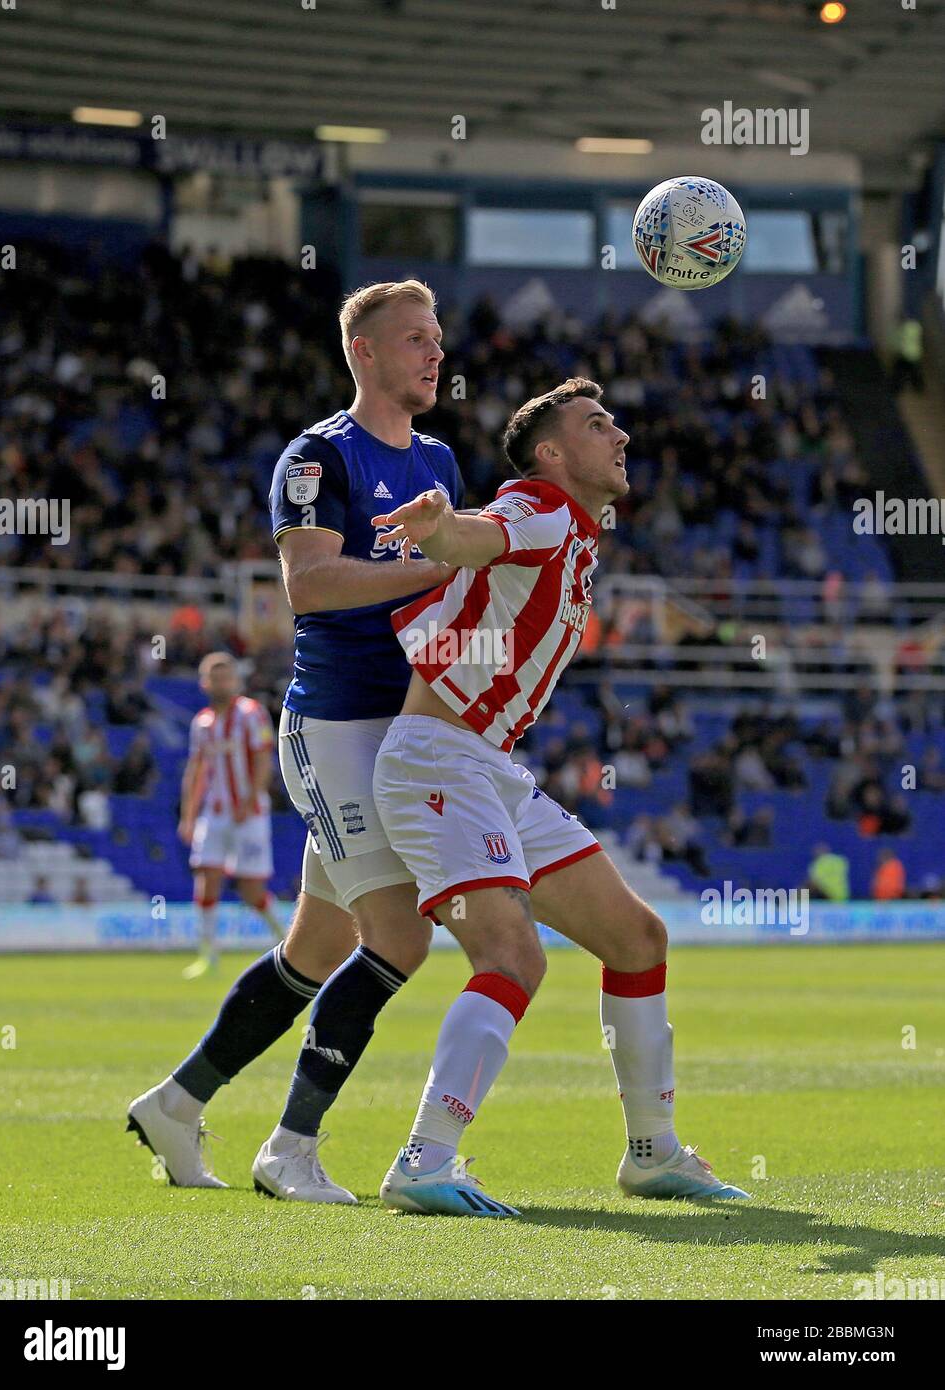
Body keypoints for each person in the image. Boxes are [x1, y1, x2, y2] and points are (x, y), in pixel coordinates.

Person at [370, 378, 749, 1215]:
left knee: (637, 940)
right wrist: (442, 530)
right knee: (512, 957)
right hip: (438, 761)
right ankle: (424, 1159)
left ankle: (652, 1153)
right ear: (550, 453)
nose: (620, 436)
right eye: (596, 424)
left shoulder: (575, 534)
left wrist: (452, 537)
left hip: (486, 766)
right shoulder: (540, 507)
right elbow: (482, 534)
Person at [127, 280, 461, 1194]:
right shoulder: (318, 455)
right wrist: (436, 565)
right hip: (335, 725)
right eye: (414, 339)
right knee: (400, 936)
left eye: (436, 338)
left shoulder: (438, 461)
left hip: (404, 731)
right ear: (363, 351)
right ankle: (291, 1149)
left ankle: (175, 1105)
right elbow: (309, 585)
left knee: (312, 953)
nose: (435, 354)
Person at [176, 652, 285, 979]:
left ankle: (284, 939)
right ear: (204, 683)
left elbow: (264, 760)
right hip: (215, 813)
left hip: (249, 813)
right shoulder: (202, 723)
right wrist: (188, 815)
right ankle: (208, 953)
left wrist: (249, 800)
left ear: (235, 681)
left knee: (251, 890)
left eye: (226, 677)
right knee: (206, 878)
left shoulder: (251, 714)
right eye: (214, 677)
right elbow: (196, 770)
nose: (220, 683)